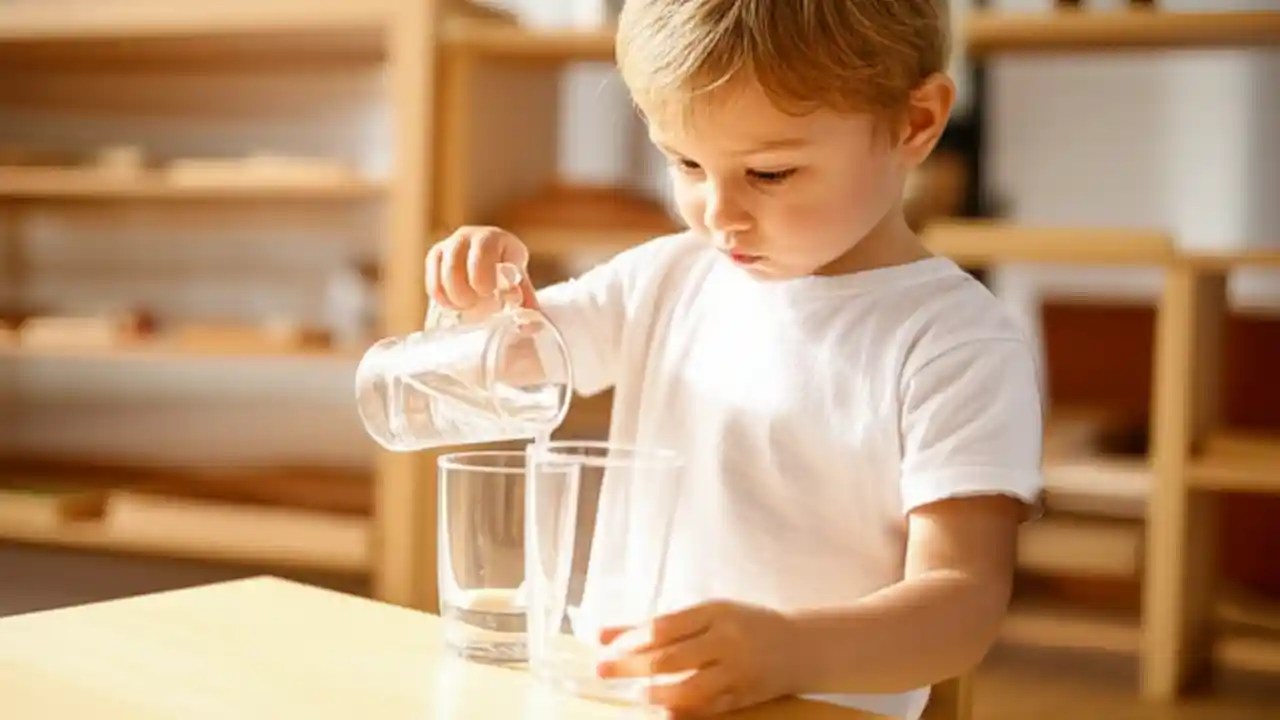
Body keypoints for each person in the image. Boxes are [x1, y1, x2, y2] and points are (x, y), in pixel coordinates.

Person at [424, 1, 1043, 718]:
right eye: (685, 162)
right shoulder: (664, 277)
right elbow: (504, 364)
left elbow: (963, 603)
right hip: (617, 697)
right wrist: (476, 304)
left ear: (915, 123)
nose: (718, 213)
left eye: (770, 173)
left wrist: (787, 650)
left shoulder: (956, 344)